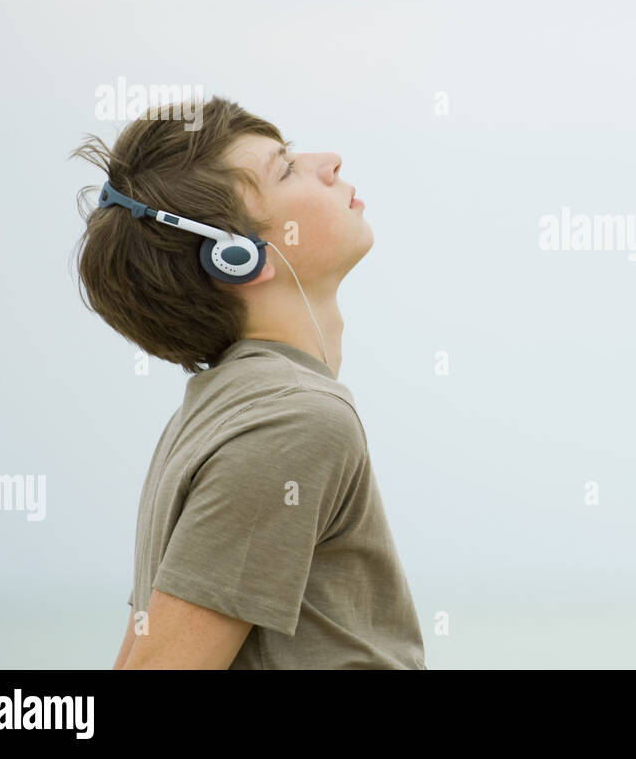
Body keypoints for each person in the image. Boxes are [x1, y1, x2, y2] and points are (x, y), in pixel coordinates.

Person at [69, 96, 425, 669]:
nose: (329, 161)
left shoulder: (223, 411)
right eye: (284, 168)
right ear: (233, 256)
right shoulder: (292, 420)